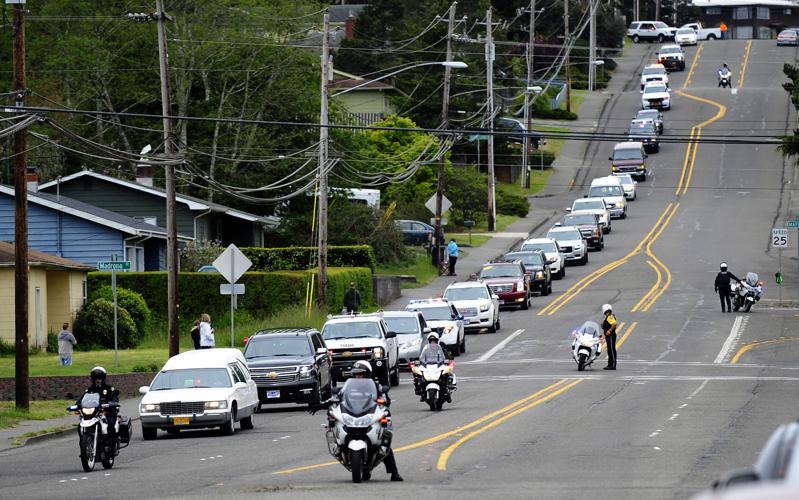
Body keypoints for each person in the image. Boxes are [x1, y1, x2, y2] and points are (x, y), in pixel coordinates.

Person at [346, 360, 403, 481]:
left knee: (384, 443)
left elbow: (385, 399)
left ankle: (394, 472)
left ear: (367, 374)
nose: (358, 377)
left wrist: (383, 400)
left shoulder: (377, 387)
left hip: (371, 416)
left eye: (361, 374)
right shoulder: (349, 387)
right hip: (353, 416)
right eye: (356, 374)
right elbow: (340, 397)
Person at [79, 366, 120, 444]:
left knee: (110, 425)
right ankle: (84, 446)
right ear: (93, 379)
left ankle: (111, 445)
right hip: (94, 413)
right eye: (96, 378)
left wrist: (113, 403)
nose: (98, 380)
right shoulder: (90, 389)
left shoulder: (109, 388)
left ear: (103, 378)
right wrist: (77, 405)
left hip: (108, 412)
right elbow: (82, 399)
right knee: (80, 427)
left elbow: (115, 397)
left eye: (100, 378)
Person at [601, 304, 618, 370]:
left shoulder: (610, 317)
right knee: (609, 349)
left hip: (611, 336)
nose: (607, 312)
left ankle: (613, 365)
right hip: (609, 336)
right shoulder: (608, 316)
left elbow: (614, 324)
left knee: (611, 349)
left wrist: (609, 331)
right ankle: (610, 364)